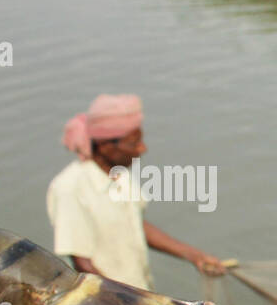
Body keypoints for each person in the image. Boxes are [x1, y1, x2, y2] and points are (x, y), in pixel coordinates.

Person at [48, 94, 225, 289]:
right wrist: (130, 304)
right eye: (133, 143)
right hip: (109, 304)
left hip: (137, 293)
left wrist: (194, 256)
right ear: (105, 146)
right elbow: (82, 264)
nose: (142, 149)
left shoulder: (120, 176)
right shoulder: (71, 188)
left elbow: (134, 222)